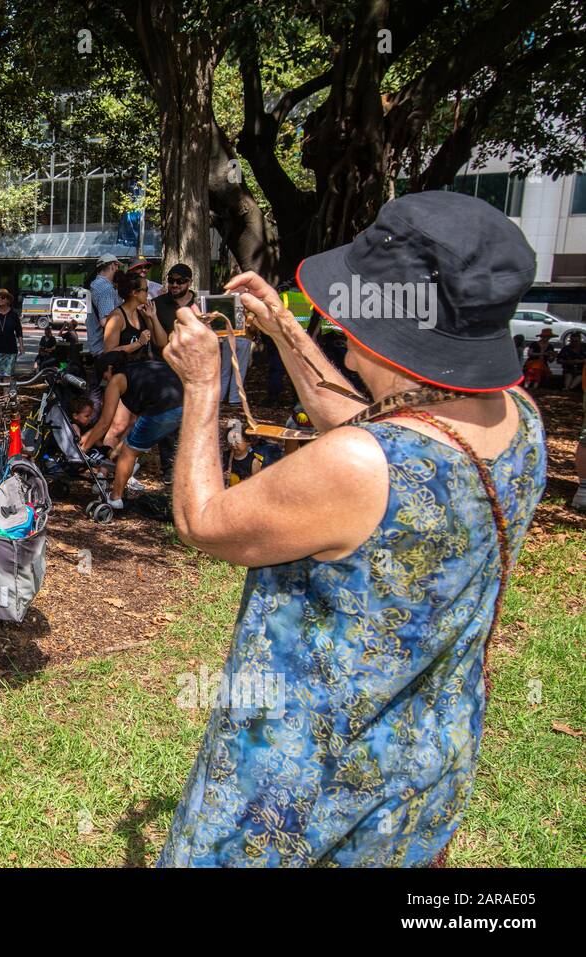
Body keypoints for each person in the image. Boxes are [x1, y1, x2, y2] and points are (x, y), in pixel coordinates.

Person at [157, 190, 546, 867]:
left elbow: (203, 519)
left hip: (302, 787)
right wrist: (285, 328)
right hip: (415, 769)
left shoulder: (360, 469)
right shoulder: (519, 418)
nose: (341, 326)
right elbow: (385, 424)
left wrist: (201, 386)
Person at [79, 351, 184, 508]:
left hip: (162, 410)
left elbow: (104, 422)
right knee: (131, 447)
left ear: (109, 368)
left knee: (129, 452)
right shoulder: (145, 368)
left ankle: (115, 498)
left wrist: (83, 450)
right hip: (185, 405)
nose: (105, 381)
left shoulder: (117, 379)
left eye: (104, 376)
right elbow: (136, 420)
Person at [103, 270, 159, 362]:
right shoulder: (117, 318)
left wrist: (153, 317)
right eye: (145, 290)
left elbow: (158, 342)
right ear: (134, 293)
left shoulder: (141, 313)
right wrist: (139, 343)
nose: (148, 294)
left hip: (142, 370)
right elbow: (108, 353)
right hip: (124, 372)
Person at [223, 418, 281, 485]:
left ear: (248, 442)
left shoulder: (253, 462)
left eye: (237, 441)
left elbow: (256, 483)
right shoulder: (225, 456)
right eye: (230, 441)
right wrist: (223, 476)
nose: (233, 444)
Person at [87, 254, 121, 358]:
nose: (118, 270)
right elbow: (106, 322)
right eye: (117, 267)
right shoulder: (106, 289)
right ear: (112, 266)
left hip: (98, 347)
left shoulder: (95, 285)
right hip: (105, 350)